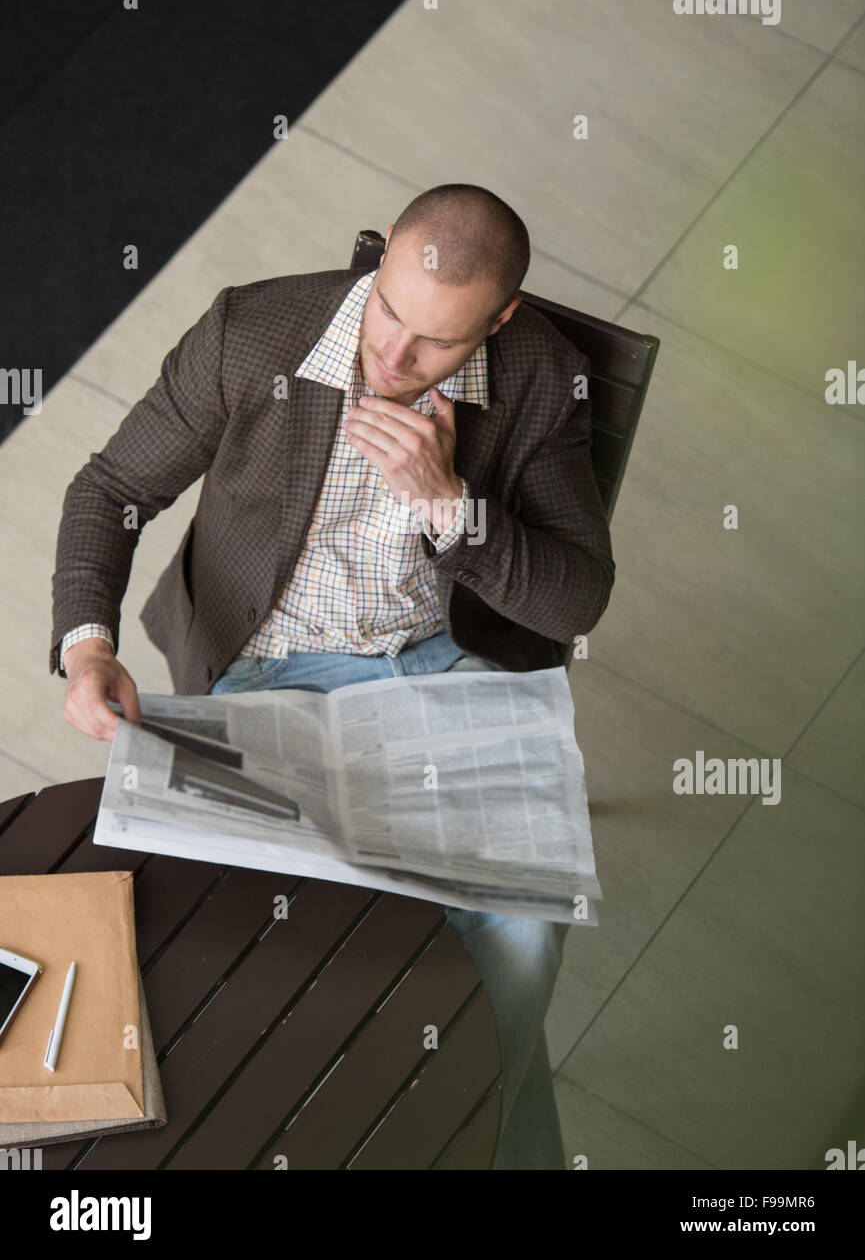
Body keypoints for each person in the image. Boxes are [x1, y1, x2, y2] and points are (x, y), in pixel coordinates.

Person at [51, 182, 615, 1168]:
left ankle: (462, 1136)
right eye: (387, 309)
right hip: (265, 669)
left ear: (500, 319)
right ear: (381, 258)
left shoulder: (537, 376)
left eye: (436, 342)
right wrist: (89, 645)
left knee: (521, 925)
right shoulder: (254, 331)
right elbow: (113, 488)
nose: (390, 357)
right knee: (257, 936)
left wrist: (451, 508)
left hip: (436, 665)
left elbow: (575, 601)